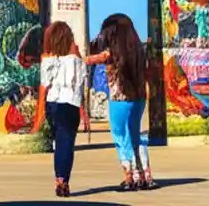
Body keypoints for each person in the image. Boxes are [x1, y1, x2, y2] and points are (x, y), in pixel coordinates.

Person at [86, 14, 155, 191]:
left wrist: (75, 58)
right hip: (138, 99)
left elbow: (92, 58)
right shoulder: (139, 50)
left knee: (120, 136)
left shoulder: (113, 52)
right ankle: (145, 175)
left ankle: (129, 176)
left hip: (119, 99)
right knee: (136, 136)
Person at [33, 21, 84, 198]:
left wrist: (39, 114)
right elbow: (80, 85)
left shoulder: (47, 59)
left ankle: (59, 179)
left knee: (58, 143)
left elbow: (43, 87)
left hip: (53, 104)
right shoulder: (76, 60)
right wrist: (84, 113)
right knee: (67, 144)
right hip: (71, 105)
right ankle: (64, 179)